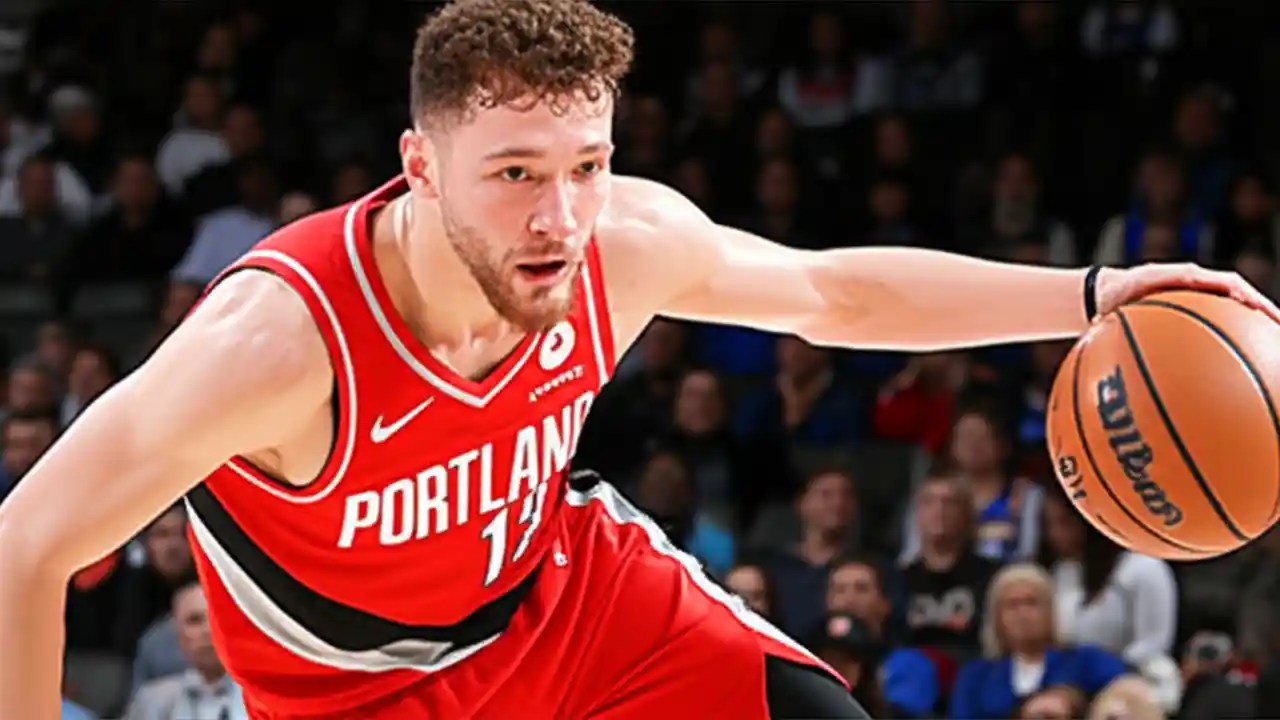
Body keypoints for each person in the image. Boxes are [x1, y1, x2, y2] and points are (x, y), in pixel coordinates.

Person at [0, 1, 1275, 719]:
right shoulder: (277, 344)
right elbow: (25, 546)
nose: (558, 216)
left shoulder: (620, 243)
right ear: (418, 165)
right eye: (512, 175)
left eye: (586, 167)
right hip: (357, 695)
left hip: (565, 604)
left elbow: (832, 292)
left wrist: (1094, 290)